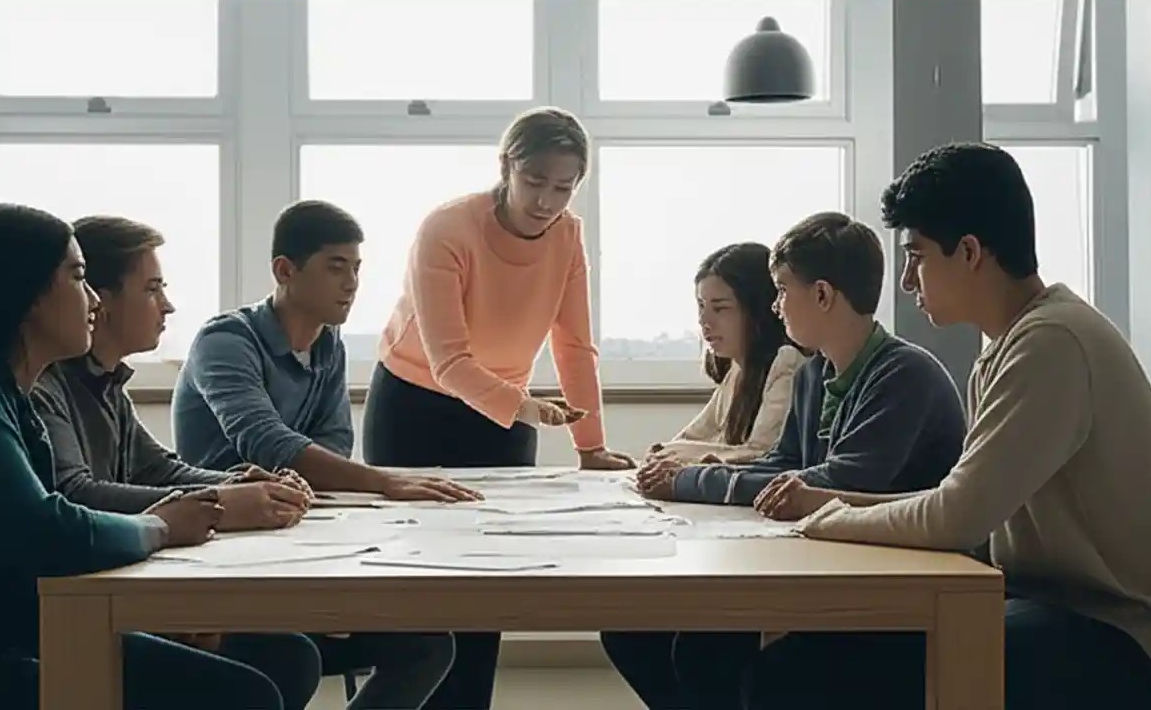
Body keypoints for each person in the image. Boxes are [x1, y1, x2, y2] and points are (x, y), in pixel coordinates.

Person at [755, 143, 1151, 709]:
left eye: (916, 256)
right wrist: (826, 501)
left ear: (969, 251)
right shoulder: (1008, 348)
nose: (905, 280)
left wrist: (835, 518)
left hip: (1117, 633)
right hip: (1044, 604)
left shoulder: (1051, 344)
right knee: (806, 659)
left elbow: (958, 517)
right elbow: (964, 506)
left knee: (802, 673)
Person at [0, 204, 318, 710]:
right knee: (243, 694)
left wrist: (233, 488)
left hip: (8, 622)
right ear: (25, 295)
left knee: (285, 659)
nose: (91, 300)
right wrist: (161, 526)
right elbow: (51, 528)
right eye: (78, 278)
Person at [613, 211, 966, 710]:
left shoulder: (905, 374)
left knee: (745, 668)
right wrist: (690, 480)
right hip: (829, 565)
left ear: (822, 295)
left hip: (897, 592)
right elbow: (782, 464)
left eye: (782, 290)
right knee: (643, 634)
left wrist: (692, 480)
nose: (776, 307)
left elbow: (834, 481)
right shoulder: (814, 373)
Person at [362, 106, 636, 709]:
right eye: (535, 182)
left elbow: (573, 344)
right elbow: (449, 363)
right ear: (506, 168)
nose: (546, 201)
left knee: (488, 580)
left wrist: (590, 446)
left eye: (563, 188)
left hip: (506, 413)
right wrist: (531, 410)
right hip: (415, 402)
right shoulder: (447, 228)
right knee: (422, 582)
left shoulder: (568, 235)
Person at [173, 200, 459, 709]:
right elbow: (265, 441)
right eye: (335, 266)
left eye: (356, 268)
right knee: (295, 655)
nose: (351, 282)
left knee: (430, 644)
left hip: (299, 539)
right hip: (224, 552)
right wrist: (384, 481)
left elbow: (331, 444)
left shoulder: (329, 344)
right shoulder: (226, 341)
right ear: (285, 270)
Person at [31, 215, 323, 709]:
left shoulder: (105, 382)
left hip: (114, 577)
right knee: (256, 686)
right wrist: (221, 502)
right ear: (99, 300)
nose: (167, 305)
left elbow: (158, 468)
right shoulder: (45, 388)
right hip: (71, 603)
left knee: (294, 659)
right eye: (151, 290)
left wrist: (244, 481)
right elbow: (74, 492)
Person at [641, 242, 807, 466]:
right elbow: (691, 438)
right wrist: (663, 453)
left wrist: (673, 454)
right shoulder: (736, 369)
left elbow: (763, 452)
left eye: (719, 308)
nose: (704, 321)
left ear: (757, 310)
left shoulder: (786, 363)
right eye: (701, 306)